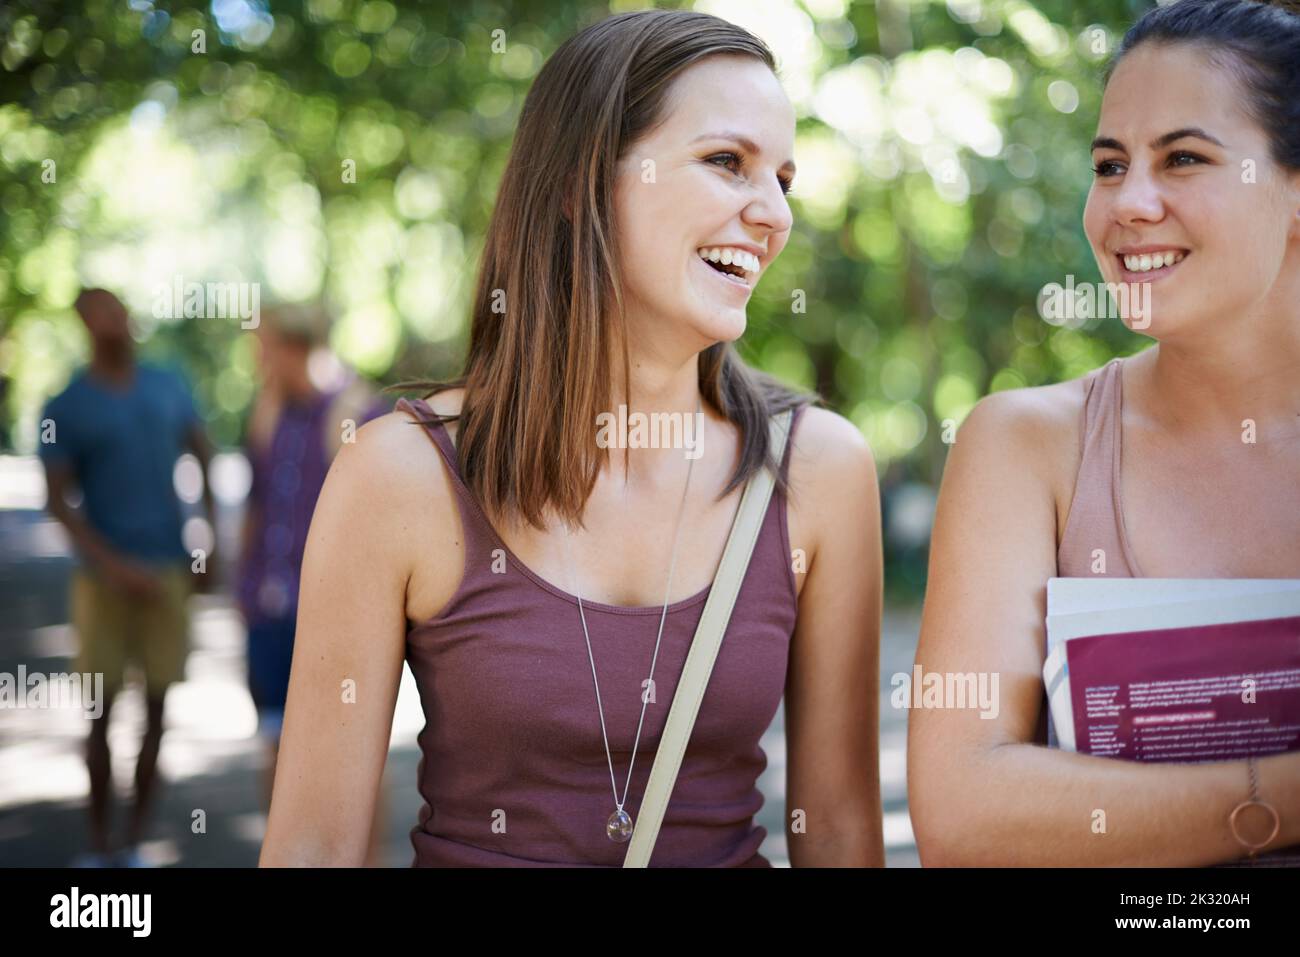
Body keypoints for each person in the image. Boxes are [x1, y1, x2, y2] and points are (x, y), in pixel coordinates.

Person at [260, 10, 883, 867]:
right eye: (726, 163)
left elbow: (843, 836)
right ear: (581, 181)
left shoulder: (819, 469)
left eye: (784, 179)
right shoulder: (399, 476)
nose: (773, 214)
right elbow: (312, 849)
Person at [910, 0, 1300, 866]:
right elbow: (963, 814)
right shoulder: (1024, 443)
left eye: (1184, 158)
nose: (1129, 202)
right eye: (1110, 163)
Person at [38, 287, 217, 867]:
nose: (114, 322)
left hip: (166, 569)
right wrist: (109, 564)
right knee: (101, 709)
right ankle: (97, 843)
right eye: (100, 315)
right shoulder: (67, 405)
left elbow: (204, 453)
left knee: (160, 707)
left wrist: (205, 542)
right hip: (103, 582)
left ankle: (137, 839)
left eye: (118, 310)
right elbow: (58, 501)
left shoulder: (168, 383)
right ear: (85, 326)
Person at [236, 304, 389, 860]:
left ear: (292, 348)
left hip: (335, 618)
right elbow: (256, 503)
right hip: (270, 612)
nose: (257, 362)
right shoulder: (269, 410)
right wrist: (243, 590)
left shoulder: (358, 413)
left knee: (353, 756)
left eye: (263, 349)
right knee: (275, 744)